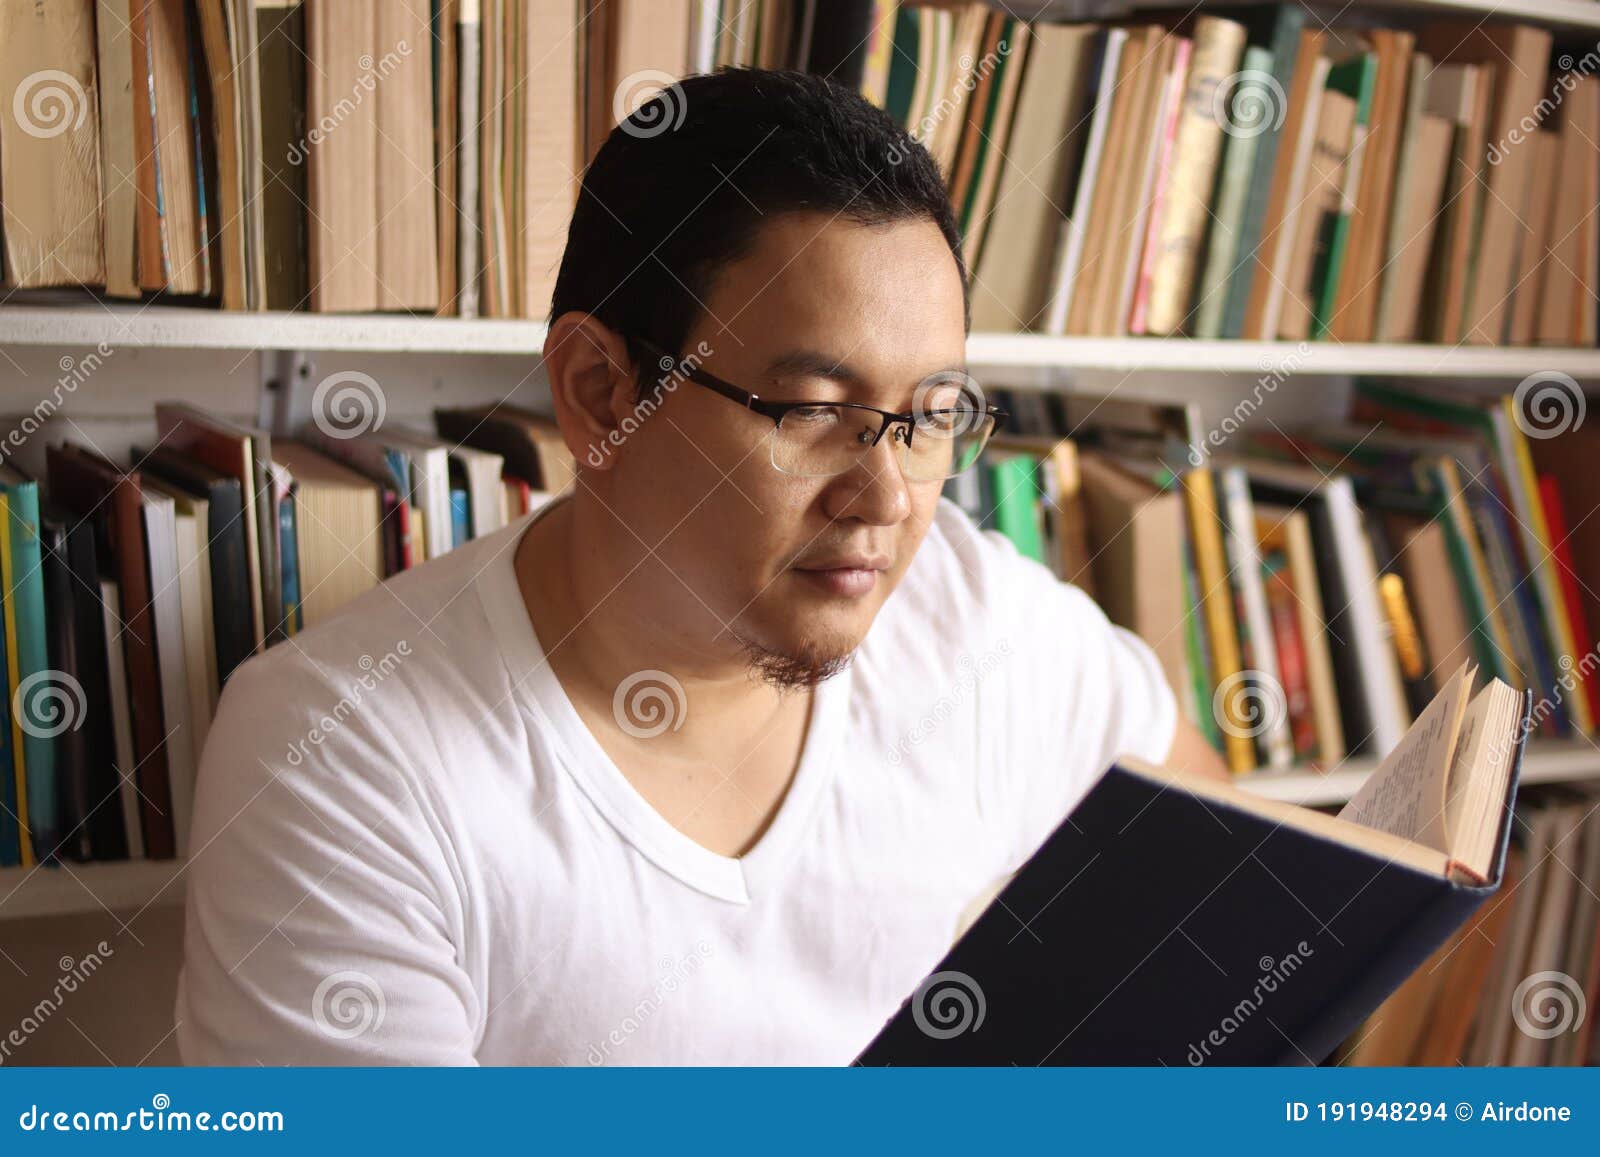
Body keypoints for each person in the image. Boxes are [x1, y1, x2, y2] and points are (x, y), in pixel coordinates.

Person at [176, 67, 1228, 1066]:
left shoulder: (968, 609)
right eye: (814, 411)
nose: (889, 499)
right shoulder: (335, 755)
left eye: (929, 416)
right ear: (599, 392)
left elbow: (1227, 858)